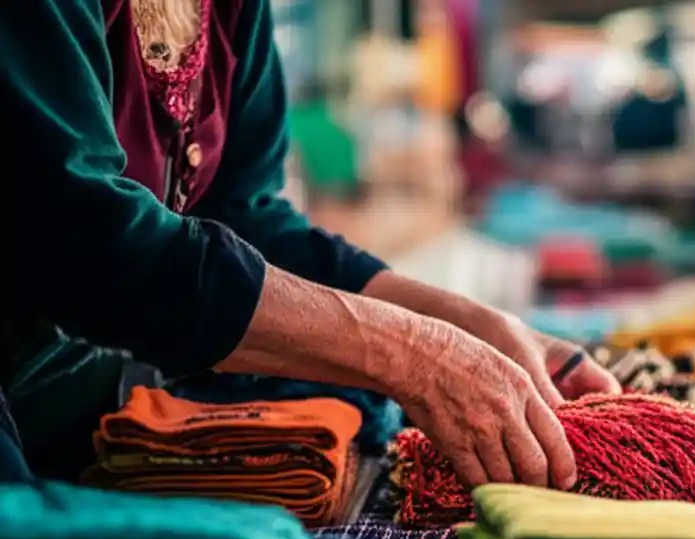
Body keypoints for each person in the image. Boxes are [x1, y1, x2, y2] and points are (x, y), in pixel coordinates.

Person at [0, 0, 620, 488]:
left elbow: (246, 220)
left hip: (88, 402)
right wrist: (411, 355)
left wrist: (468, 324)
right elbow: (82, 239)